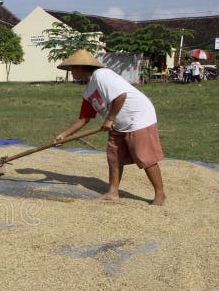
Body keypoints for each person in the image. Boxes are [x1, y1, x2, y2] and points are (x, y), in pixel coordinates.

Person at [53, 50, 166, 206]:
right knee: (114, 156)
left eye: (72, 68)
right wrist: (64, 135)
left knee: (144, 156)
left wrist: (110, 118)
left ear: (81, 67)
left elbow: (121, 96)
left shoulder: (102, 75)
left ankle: (160, 194)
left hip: (138, 117)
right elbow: (84, 119)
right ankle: (113, 192)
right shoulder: (87, 92)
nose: (71, 72)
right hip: (118, 122)